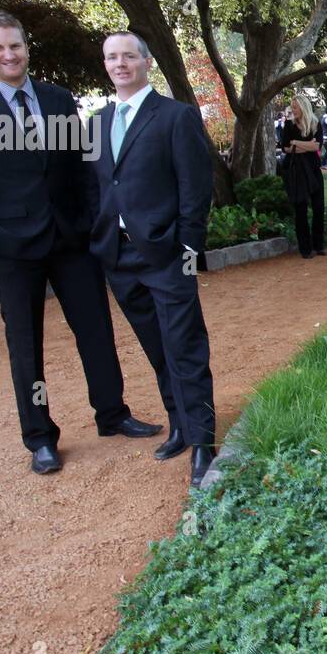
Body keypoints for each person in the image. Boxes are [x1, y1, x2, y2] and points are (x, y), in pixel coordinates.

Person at [0, 9, 160, 476]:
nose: (10, 54)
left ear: (26, 47)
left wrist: (90, 222)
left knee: (97, 332)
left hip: (71, 240)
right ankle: (40, 437)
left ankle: (113, 414)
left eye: (16, 45)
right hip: (11, 248)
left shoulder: (58, 100)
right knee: (26, 346)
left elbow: (82, 168)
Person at [87, 31, 216, 488]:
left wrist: (186, 247)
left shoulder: (175, 117)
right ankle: (178, 422)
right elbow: (99, 186)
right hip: (119, 257)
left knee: (184, 343)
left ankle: (203, 440)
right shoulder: (97, 123)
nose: (120, 64)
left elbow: (196, 189)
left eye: (128, 56)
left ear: (145, 61)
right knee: (156, 346)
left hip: (167, 254)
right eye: (111, 57)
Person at [278, 93, 325, 259]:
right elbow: (285, 148)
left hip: (313, 170)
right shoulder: (289, 126)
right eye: (292, 107)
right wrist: (307, 145)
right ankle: (305, 249)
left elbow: (316, 147)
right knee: (301, 211)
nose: (293, 109)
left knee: (319, 208)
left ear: (303, 108)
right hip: (297, 172)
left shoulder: (315, 124)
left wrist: (296, 143)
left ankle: (318, 245)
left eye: (295, 107)